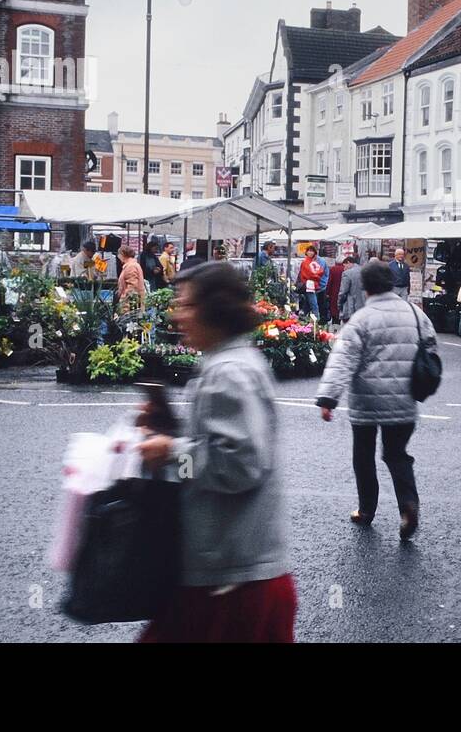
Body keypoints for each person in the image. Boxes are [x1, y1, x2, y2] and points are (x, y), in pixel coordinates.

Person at [136, 261, 295, 642]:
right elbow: (218, 447)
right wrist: (168, 429)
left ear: (215, 310)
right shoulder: (228, 363)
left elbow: (236, 466)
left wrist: (171, 452)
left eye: (187, 306)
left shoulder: (228, 372)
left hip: (232, 580)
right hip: (232, 571)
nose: (177, 316)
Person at [315, 259, 436, 539]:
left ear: (365, 287)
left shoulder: (360, 320)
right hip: (404, 398)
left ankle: (366, 509)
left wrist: (328, 399)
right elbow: (430, 347)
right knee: (397, 455)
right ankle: (408, 507)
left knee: (364, 456)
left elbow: (342, 360)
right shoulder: (415, 313)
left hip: (366, 401)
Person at [297, 245, 325, 318]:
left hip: (313, 285)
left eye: (312, 251)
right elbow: (309, 273)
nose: (310, 252)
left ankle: (301, 316)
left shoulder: (313, 262)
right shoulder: (305, 262)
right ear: (306, 252)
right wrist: (316, 276)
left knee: (308, 303)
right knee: (314, 304)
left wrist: (315, 275)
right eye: (309, 250)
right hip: (309, 285)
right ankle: (317, 321)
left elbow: (320, 271)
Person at [117, 246, 147, 311]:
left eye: (118, 255)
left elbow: (132, 287)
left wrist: (124, 299)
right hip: (133, 303)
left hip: (130, 305)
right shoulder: (133, 265)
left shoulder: (131, 266)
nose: (118, 257)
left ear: (122, 254)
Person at [337, 256, 365, 323]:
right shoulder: (364, 271)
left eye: (345, 266)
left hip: (351, 306)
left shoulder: (347, 273)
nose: (344, 268)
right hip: (364, 305)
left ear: (348, 263)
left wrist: (339, 304)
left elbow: (343, 292)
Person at [326, 255, 349, 324]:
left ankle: (335, 322)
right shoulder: (346, 269)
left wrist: (327, 292)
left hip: (334, 292)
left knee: (334, 307)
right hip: (344, 291)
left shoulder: (333, 269)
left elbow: (329, 281)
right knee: (342, 306)